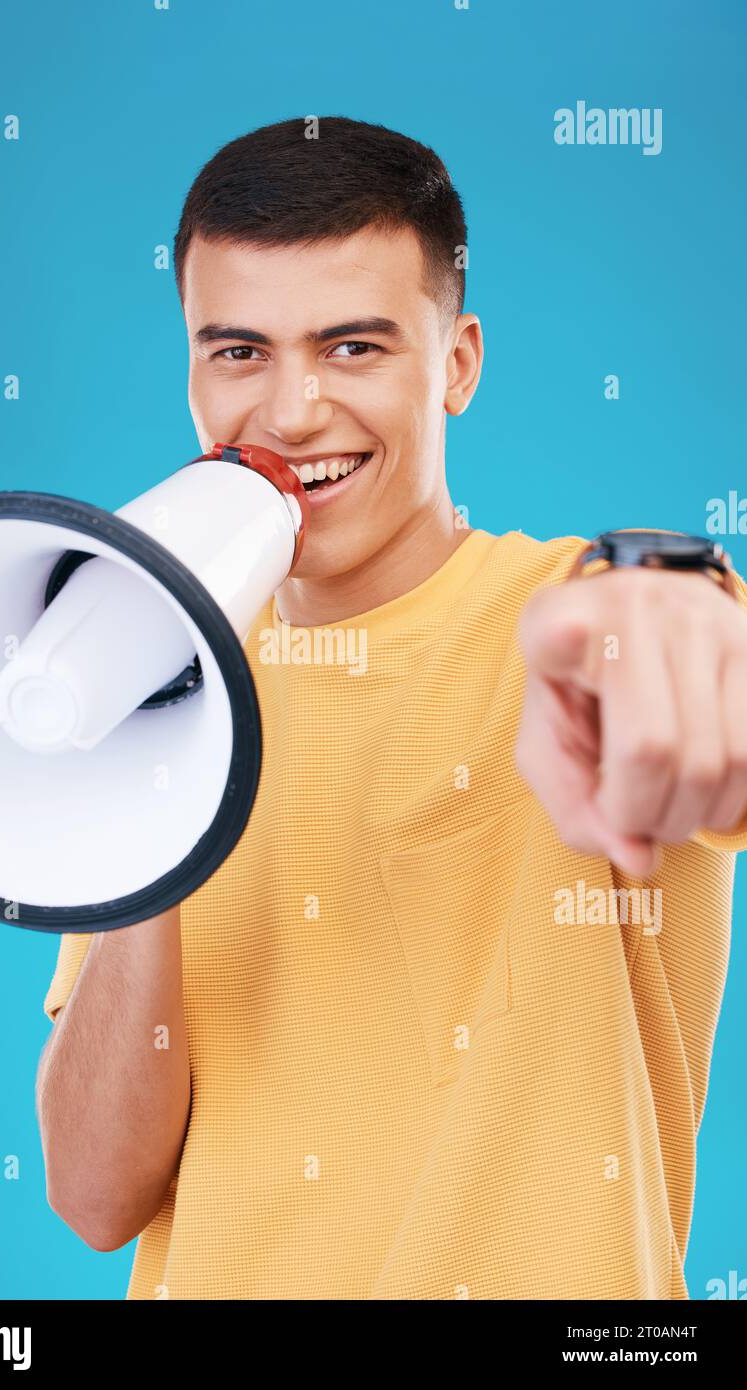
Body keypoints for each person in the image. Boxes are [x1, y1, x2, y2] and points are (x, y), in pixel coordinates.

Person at [36, 116, 747, 1300]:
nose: (294, 410)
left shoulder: (572, 609)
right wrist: (147, 789)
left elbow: (688, 639)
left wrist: (681, 610)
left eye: (353, 346)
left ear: (459, 361)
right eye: (239, 351)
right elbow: (96, 1195)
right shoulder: (149, 691)